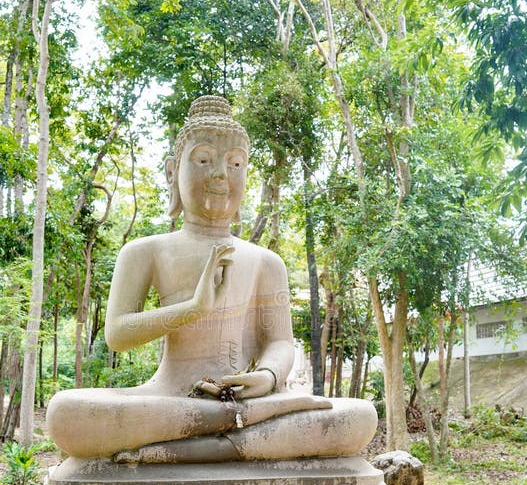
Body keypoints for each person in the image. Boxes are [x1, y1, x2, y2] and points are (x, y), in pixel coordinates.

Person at [46, 96, 376, 461]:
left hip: (242, 401)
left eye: (235, 163)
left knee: (359, 417)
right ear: (173, 171)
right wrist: (193, 307)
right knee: (66, 413)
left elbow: (281, 342)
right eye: (204, 160)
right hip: (171, 400)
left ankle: (192, 445)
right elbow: (118, 335)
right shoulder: (146, 251)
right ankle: (228, 438)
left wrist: (266, 377)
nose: (221, 174)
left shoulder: (265, 261)